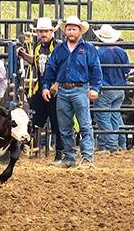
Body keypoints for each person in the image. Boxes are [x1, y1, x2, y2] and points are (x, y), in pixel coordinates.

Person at [42, 16, 102, 170]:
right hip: (63, 89)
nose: (71, 31)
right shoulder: (59, 50)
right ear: (65, 31)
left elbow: (96, 69)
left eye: (74, 28)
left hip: (80, 89)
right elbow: (50, 68)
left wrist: (95, 88)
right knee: (65, 126)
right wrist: (45, 86)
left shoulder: (88, 49)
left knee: (85, 125)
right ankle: (69, 157)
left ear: (79, 31)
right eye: (68, 28)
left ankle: (87, 158)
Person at [17, 17, 65, 161]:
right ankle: (24, 146)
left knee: (57, 122)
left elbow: (63, 66)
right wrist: (24, 56)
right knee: (31, 117)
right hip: (40, 88)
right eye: (40, 31)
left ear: (51, 32)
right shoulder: (38, 47)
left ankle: (59, 152)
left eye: (45, 31)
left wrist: (56, 84)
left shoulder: (58, 47)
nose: (42, 34)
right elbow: (37, 61)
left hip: (55, 90)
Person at [93, 24, 129, 153]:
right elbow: (127, 70)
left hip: (105, 88)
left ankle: (111, 146)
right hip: (120, 88)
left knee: (103, 116)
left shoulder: (99, 52)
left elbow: (95, 70)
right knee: (115, 115)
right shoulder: (121, 51)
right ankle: (121, 144)